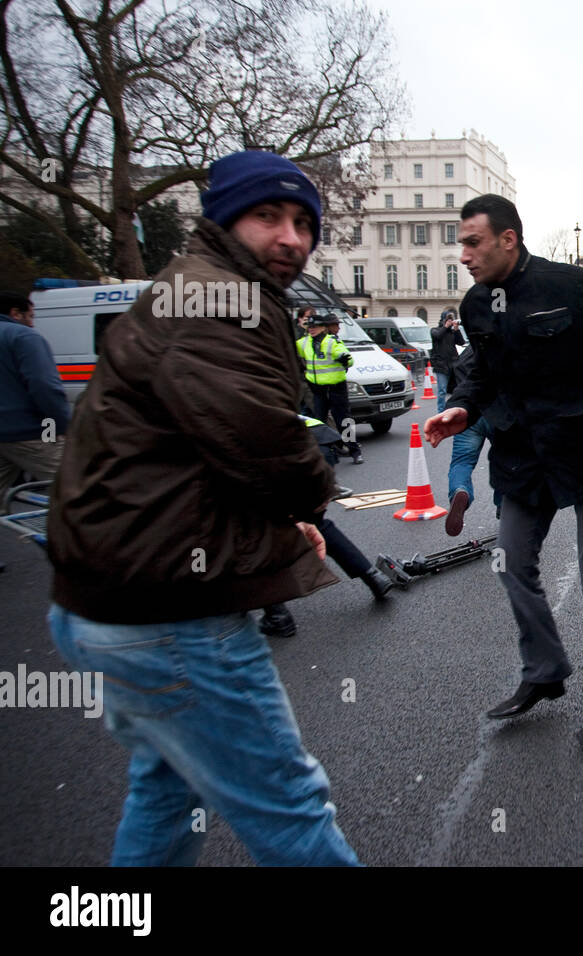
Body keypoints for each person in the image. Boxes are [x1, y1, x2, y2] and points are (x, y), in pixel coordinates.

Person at [45, 149, 358, 865]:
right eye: (268, 216)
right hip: (168, 614)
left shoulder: (196, 287)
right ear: (223, 220)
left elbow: (203, 451)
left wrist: (285, 518)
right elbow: (266, 443)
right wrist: (309, 496)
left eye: (304, 222)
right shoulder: (223, 300)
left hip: (103, 602)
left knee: (164, 794)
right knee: (291, 808)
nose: (292, 238)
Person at [423, 194, 583, 748]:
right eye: (461, 243)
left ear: (507, 239)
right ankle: (544, 671)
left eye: (472, 241)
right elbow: (480, 370)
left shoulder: (569, 286)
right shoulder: (475, 306)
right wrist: (463, 405)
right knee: (511, 562)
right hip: (521, 455)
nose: (463, 254)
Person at [259, 414, 395, 638]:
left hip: (286, 453)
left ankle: (276, 615)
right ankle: (373, 576)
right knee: (316, 523)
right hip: (319, 444)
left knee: (262, 531)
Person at [0, 291, 68, 502]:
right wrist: (64, 425)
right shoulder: (24, 336)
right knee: (79, 486)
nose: (32, 324)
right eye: (31, 316)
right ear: (16, 313)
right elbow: (44, 387)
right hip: (32, 431)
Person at [297, 313, 363, 464]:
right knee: (319, 422)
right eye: (310, 327)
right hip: (317, 389)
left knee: (343, 420)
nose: (312, 329)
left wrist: (343, 358)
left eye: (315, 327)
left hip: (336, 388)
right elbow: (290, 347)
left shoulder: (331, 342)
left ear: (323, 328)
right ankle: (329, 452)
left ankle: (355, 451)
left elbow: (348, 358)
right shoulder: (304, 342)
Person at [429, 307, 466, 412]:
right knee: (442, 391)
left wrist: (456, 329)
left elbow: (461, 342)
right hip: (441, 366)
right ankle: (440, 411)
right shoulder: (435, 330)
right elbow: (438, 336)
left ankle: (453, 410)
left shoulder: (452, 332)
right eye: (448, 318)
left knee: (456, 390)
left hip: (453, 365)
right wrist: (445, 326)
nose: (450, 321)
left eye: (451, 318)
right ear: (443, 319)